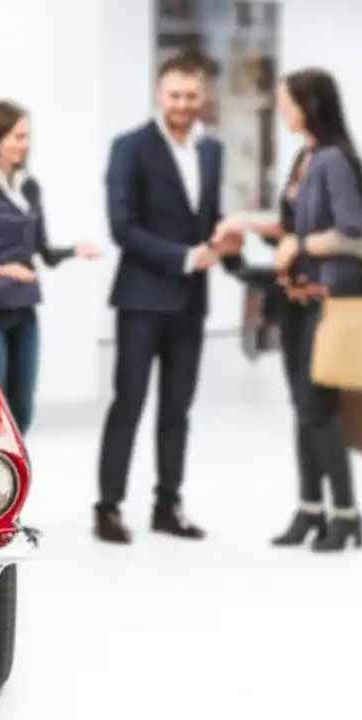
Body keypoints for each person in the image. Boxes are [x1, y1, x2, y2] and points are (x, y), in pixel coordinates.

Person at [94, 51, 245, 544]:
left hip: (190, 302)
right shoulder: (130, 148)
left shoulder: (211, 150)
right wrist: (184, 257)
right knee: (129, 404)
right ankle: (109, 507)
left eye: (191, 96)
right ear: (160, 96)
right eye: (174, 95)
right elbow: (123, 227)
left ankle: (167, 505)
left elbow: (207, 217)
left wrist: (224, 243)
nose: (183, 104)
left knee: (177, 410)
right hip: (141, 300)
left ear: (204, 97)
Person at [218, 68, 362, 552]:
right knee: (304, 409)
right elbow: (287, 227)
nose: (282, 110)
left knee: (318, 408)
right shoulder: (305, 158)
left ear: (312, 105)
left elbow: (352, 230)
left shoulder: (334, 161)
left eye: (288, 102)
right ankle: (310, 510)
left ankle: (347, 516)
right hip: (298, 299)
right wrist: (246, 224)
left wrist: (300, 243)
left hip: (327, 301)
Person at [0, 100, 102, 435]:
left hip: (25, 310)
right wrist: (1, 270)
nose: (24, 144)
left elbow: (42, 252)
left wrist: (75, 250)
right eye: (17, 136)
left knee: (23, 410)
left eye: (27, 137)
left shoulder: (30, 187)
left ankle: (13, 478)